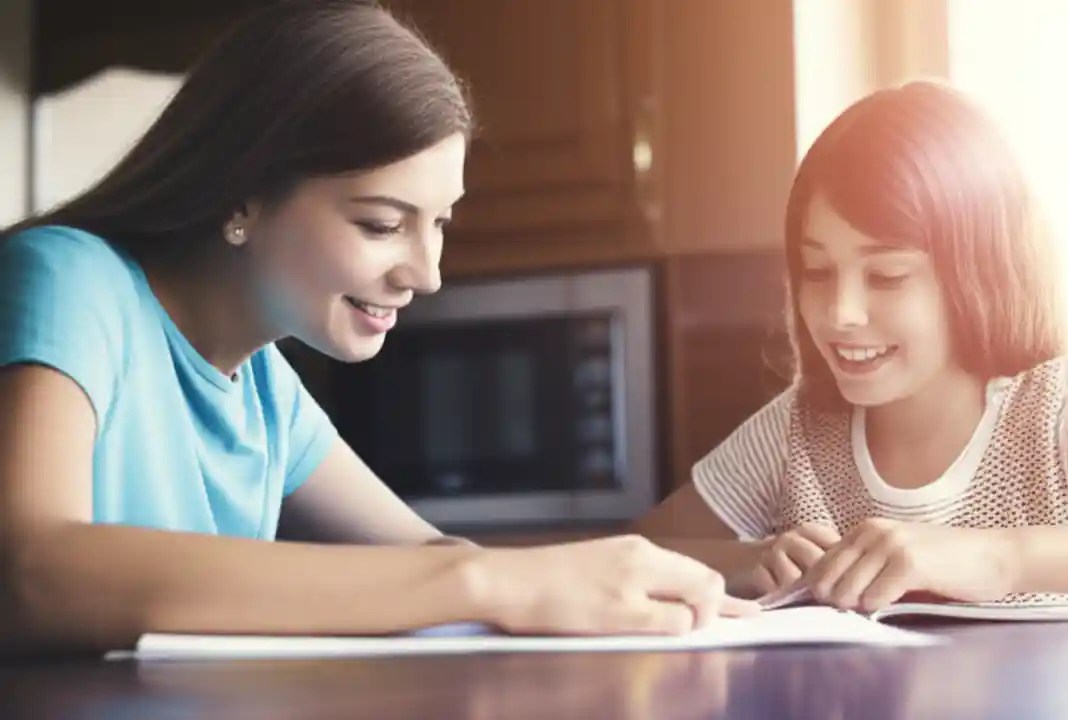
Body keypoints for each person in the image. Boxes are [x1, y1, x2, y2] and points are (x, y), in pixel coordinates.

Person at [0, 0, 752, 655]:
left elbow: (431, 554)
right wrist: (479, 581)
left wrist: (732, 563)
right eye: (383, 224)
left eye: (440, 225)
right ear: (241, 197)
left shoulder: (264, 387)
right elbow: (33, 571)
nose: (425, 274)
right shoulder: (68, 278)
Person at [637, 80, 1068, 612]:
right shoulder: (798, 432)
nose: (841, 312)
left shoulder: (1057, 416)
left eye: (887, 275)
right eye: (817, 270)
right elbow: (630, 554)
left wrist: (1002, 557)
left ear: (978, 274)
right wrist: (743, 559)